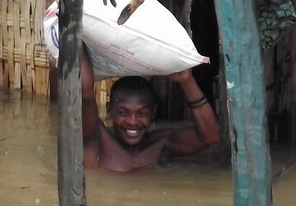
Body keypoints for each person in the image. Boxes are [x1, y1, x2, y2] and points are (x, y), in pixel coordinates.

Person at [81, 48, 220, 172]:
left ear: (153, 112)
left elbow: (209, 136)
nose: (132, 122)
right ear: (110, 110)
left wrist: (187, 81)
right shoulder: (96, 139)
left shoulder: (161, 145)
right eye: (123, 113)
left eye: (142, 113)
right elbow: (85, 93)